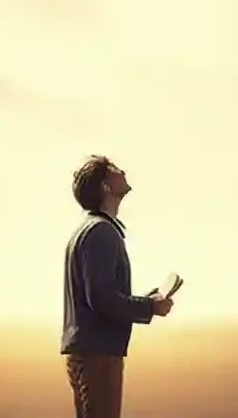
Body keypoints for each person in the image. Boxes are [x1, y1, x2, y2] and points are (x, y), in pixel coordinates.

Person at [61, 155, 174, 418]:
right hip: (97, 355)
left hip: (88, 351)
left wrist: (145, 302)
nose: (122, 170)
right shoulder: (101, 232)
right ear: (105, 187)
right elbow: (100, 297)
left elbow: (101, 294)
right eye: (114, 170)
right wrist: (149, 307)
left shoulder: (89, 229)